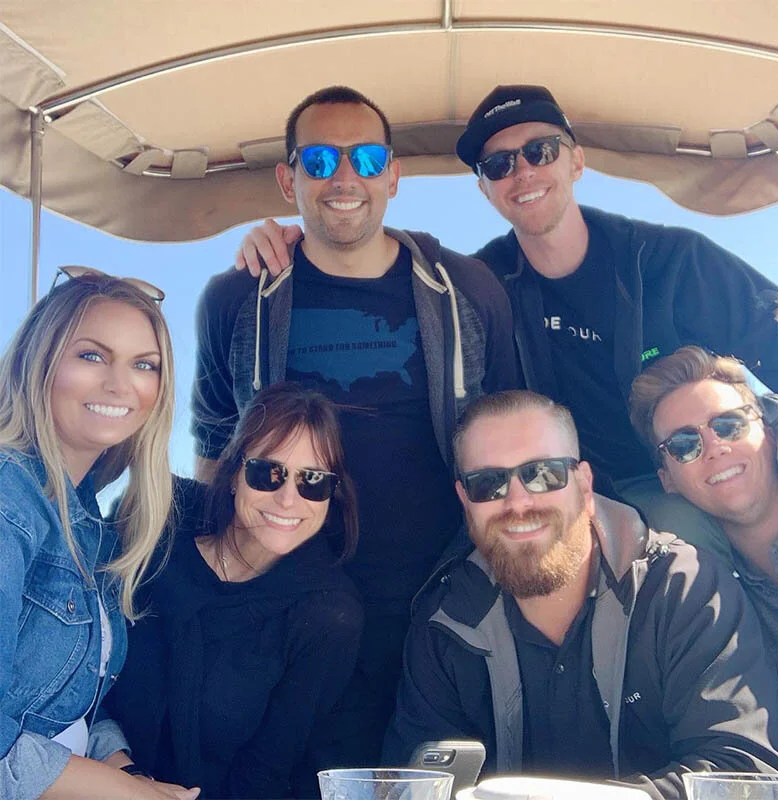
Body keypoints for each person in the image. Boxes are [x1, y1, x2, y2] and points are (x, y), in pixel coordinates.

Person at [235, 85, 778, 565]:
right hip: (595, 490)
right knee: (681, 535)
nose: (522, 171)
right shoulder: (479, 286)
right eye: (499, 164)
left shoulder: (669, 261)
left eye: (540, 151)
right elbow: (379, 269)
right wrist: (288, 241)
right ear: (485, 187)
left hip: (713, 450)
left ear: (575, 161)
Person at [192, 85, 518, 767]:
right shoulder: (237, 299)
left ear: (392, 176)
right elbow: (214, 451)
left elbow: (512, 427)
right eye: (319, 159)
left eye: (366, 159)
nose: (344, 177)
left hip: (442, 596)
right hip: (296, 603)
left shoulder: (467, 289)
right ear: (289, 180)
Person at [383, 390, 778, 800]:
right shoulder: (445, 624)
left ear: (584, 484)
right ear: (465, 500)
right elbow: (411, 788)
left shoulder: (685, 589)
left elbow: (743, 776)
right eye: (488, 483)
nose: (518, 502)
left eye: (543, 474)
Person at [106, 383, 363, 798]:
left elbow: (266, 773)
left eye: (312, 481)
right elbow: (84, 681)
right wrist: (124, 775)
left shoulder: (328, 616)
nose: (288, 499)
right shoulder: (153, 538)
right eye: (267, 473)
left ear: (332, 496)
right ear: (232, 476)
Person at [0, 268, 198, 799]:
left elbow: (73, 698)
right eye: (91, 355)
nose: (119, 384)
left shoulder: (87, 517)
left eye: (144, 364)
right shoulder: (8, 499)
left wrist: (125, 771)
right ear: (40, 361)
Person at [629, 346, 778, 761]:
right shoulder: (702, 604)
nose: (714, 447)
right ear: (667, 479)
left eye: (729, 424)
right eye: (684, 444)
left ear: (768, 430)